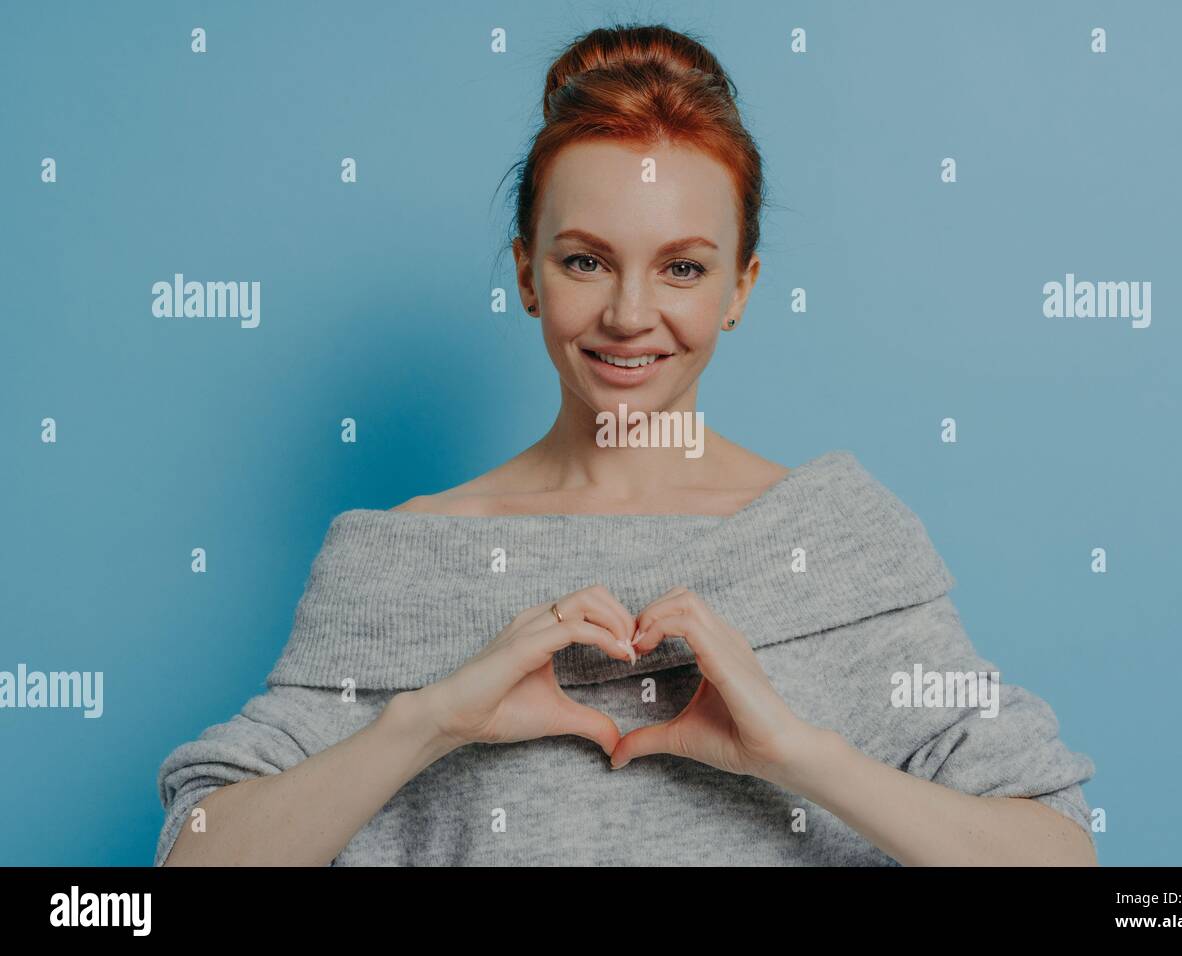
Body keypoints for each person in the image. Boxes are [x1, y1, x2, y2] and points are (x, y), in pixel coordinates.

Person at [155, 22, 1097, 866]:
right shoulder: (400, 560)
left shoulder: (838, 540)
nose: (629, 315)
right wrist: (430, 719)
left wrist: (802, 755)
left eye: (682, 267)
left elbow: (1060, 859)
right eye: (585, 261)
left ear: (742, 287)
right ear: (527, 273)